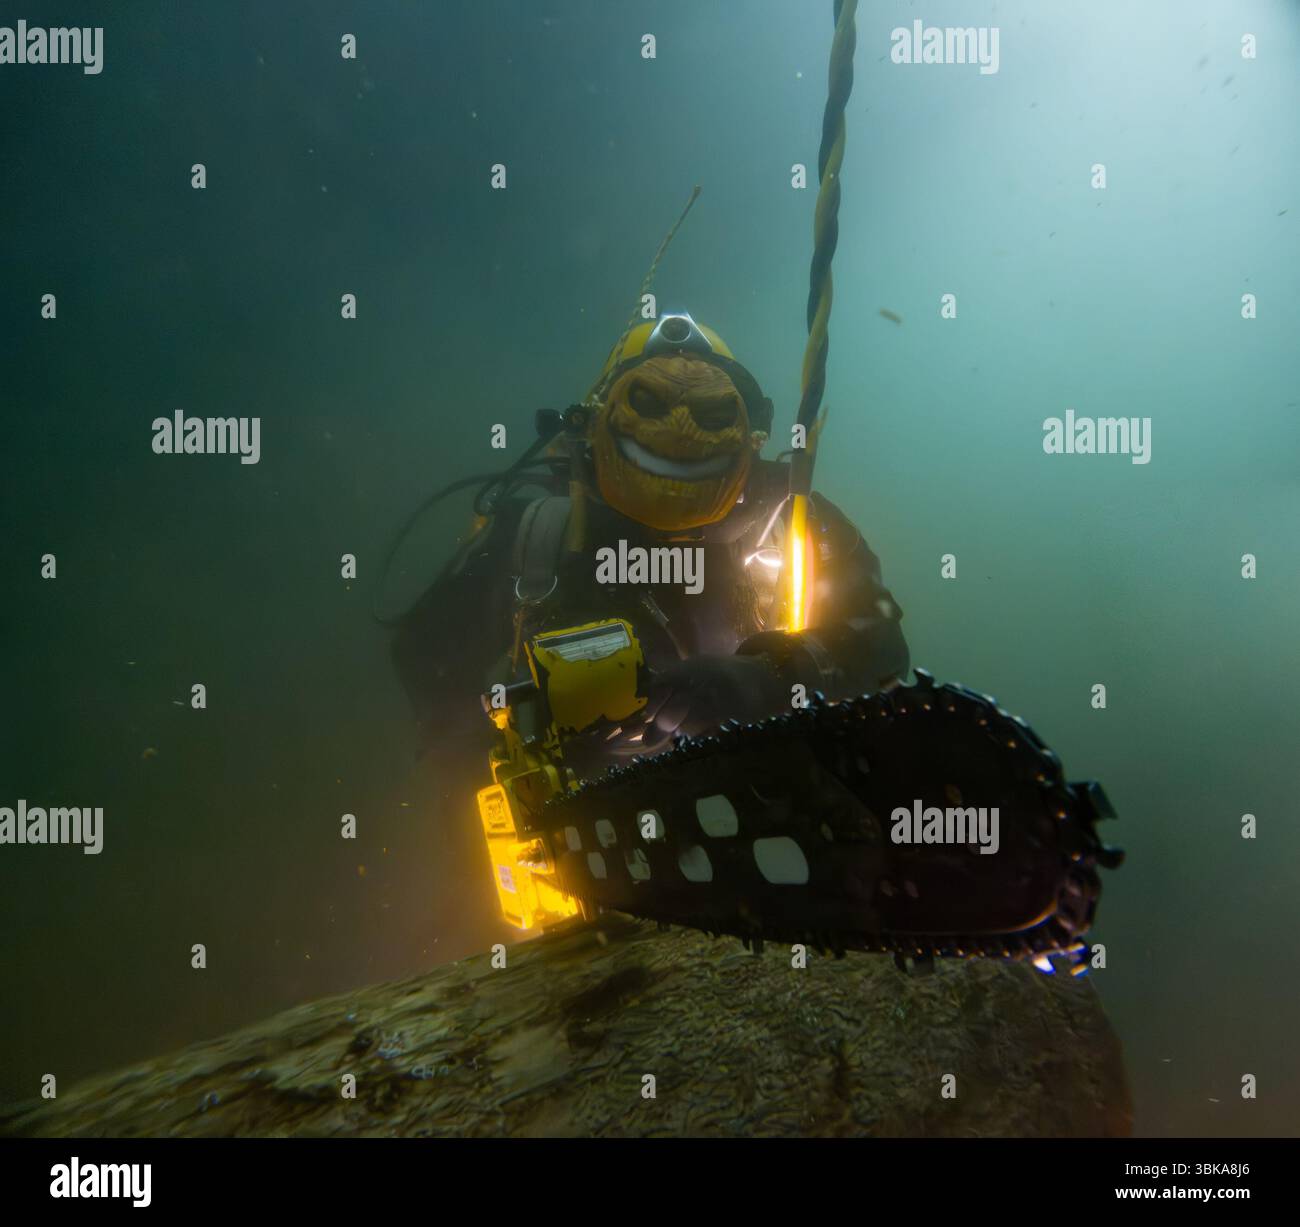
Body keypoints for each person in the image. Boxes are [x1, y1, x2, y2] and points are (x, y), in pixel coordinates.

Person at [391, 312, 909, 777]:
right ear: (591, 431)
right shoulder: (538, 533)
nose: (678, 429)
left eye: (703, 416)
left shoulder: (795, 523)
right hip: (579, 827)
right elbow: (428, 653)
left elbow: (880, 648)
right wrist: (496, 750)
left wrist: (770, 676)